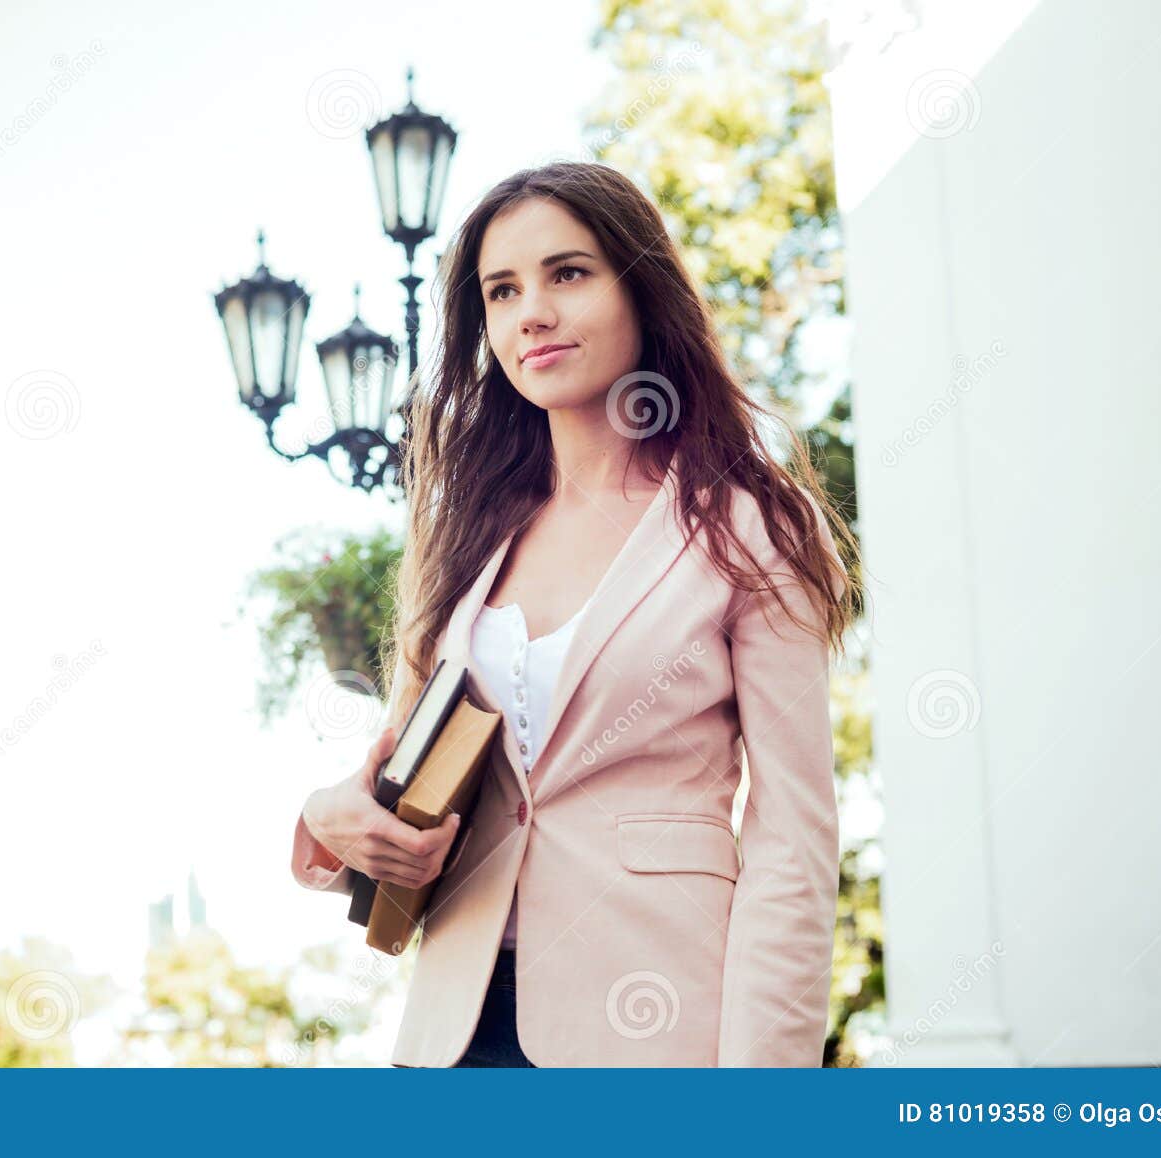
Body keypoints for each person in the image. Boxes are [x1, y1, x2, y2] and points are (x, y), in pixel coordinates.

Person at [292, 160, 861, 1067]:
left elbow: (793, 842)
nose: (533, 315)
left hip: (657, 1028)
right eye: (502, 292)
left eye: (568, 273)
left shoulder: (749, 525)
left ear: (642, 291)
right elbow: (405, 777)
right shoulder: (467, 542)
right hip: (451, 1034)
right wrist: (331, 815)